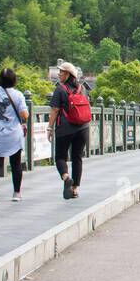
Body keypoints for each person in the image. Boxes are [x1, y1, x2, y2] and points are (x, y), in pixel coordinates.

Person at [0, 67, 28, 204]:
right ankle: (16, 193)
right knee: (16, 164)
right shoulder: (18, 95)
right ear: (14, 80)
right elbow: (24, 115)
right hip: (13, 134)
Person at [48, 61, 90, 199]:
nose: (59, 74)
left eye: (61, 72)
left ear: (68, 74)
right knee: (77, 157)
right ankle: (75, 189)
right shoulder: (82, 89)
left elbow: (54, 110)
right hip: (83, 128)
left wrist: (49, 127)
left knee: (60, 157)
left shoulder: (60, 90)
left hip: (65, 128)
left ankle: (66, 178)